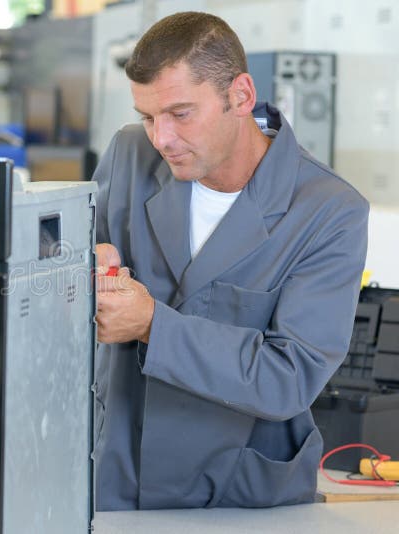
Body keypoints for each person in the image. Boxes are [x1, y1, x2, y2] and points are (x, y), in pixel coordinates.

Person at [92, 11, 369, 510]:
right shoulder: (129, 154)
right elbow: (71, 267)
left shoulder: (329, 210)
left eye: (180, 114)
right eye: (148, 117)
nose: (161, 138)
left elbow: (288, 378)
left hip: (241, 493)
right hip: (121, 478)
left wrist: (153, 323)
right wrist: (84, 267)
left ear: (240, 96)